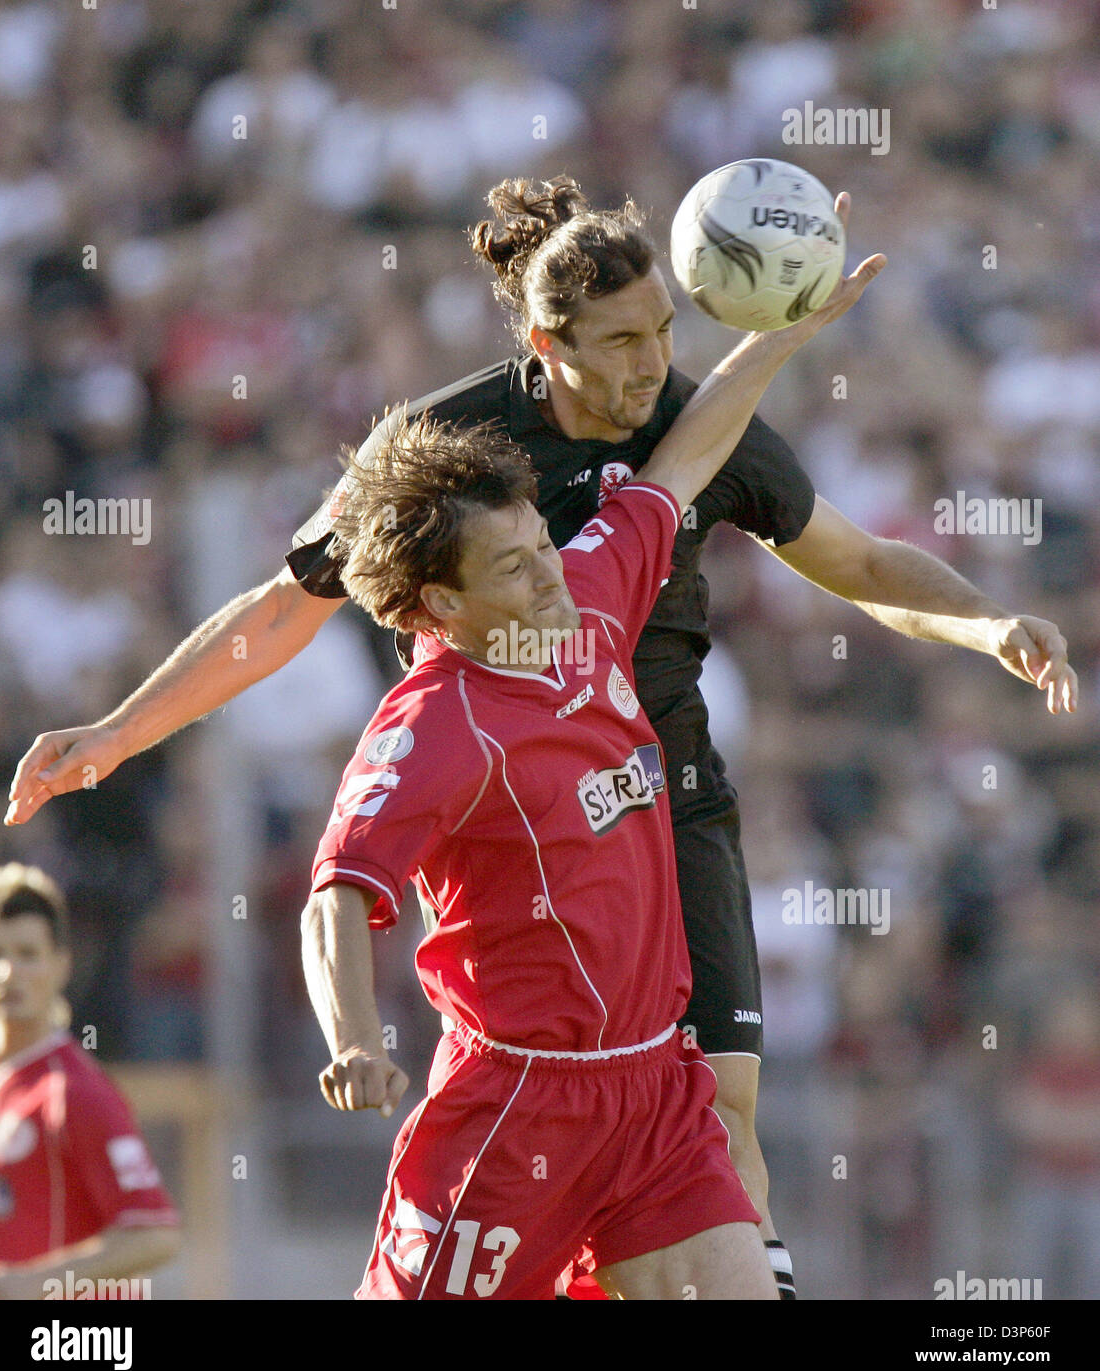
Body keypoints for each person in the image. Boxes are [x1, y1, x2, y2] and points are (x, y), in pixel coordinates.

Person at [6, 179, 1076, 1299]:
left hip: (664, 795)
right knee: (565, 1086)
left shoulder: (648, 490)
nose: (654, 362)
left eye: (666, 332)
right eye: (623, 341)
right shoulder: (447, 472)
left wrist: (985, 619)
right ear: (544, 341)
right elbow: (284, 609)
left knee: (724, 1103)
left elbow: (841, 555)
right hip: (515, 818)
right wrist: (122, 730)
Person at [303, 244, 885, 1298]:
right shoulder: (435, 726)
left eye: (542, 543)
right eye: (517, 567)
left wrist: (785, 333)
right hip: (514, 1116)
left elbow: (682, 464)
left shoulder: (590, 608)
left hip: (655, 1099)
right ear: (440, 607)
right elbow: (339, 892)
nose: (551, 574)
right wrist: (353, 1037)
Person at [0, 863, 180, 1300]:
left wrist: (36, 1283)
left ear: (60, 966)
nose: (7, 973)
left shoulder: (72, 1091)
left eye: (27, 954)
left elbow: (154, 1233)